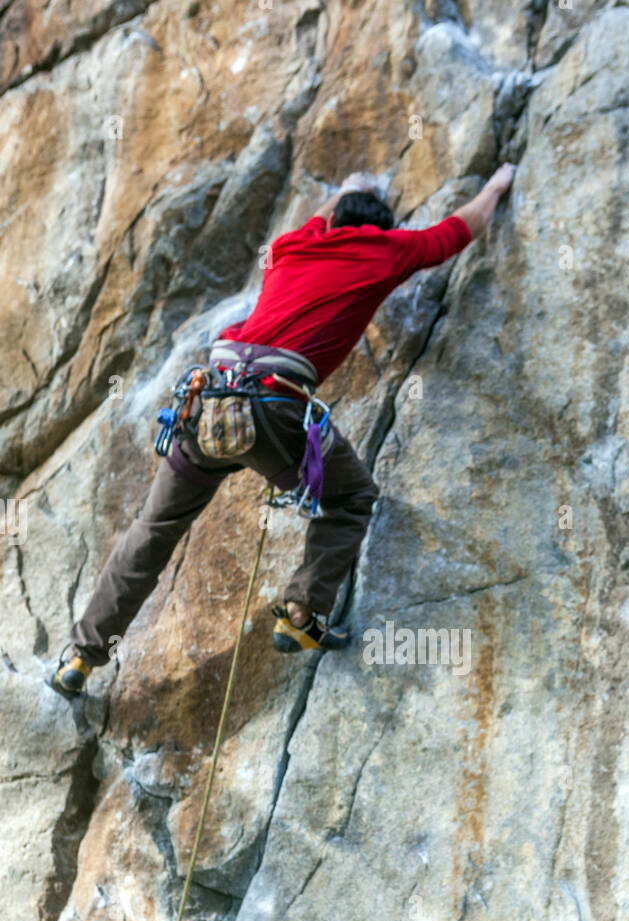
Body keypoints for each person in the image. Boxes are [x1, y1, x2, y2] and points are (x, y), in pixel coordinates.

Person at [50, 163, 517, 698]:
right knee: (351, 496)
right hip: (272, 407)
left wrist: (348, 186)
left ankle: (80, 659)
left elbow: (321, 216)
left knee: (153, 529)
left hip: (209, 397)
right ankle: (301, 612)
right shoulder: (390, 250)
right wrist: (497, 185)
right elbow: (461, 227)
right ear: (382, 230)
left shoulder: (294, 245)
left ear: (332, 221)